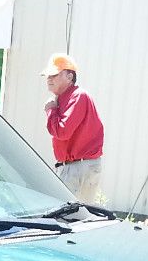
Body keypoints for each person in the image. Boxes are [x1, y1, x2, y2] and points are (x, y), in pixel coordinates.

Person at [41, 52, 105, 205]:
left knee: (72, 218)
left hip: (79, 167)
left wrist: (51, 110)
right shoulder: (64, 98)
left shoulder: (77, 96)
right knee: (67, 216)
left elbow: (62, 132)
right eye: (47, 75)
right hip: (74, 166)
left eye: (54, 74)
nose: (49, 78)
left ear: (69, 77)